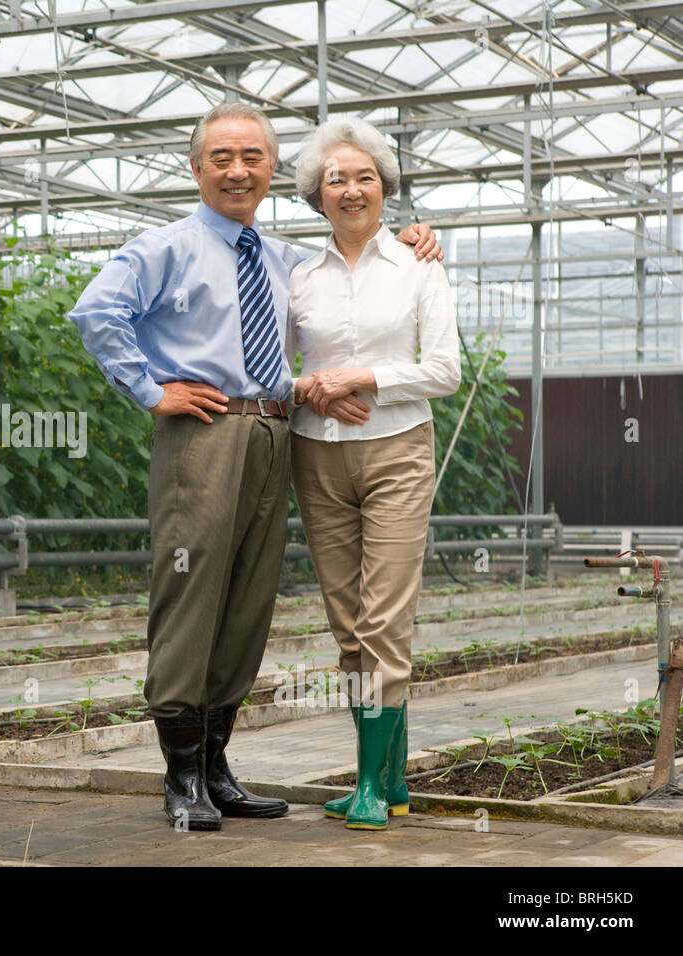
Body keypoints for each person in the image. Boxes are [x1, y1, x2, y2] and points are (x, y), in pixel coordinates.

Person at [67, 102, 442, 831]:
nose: (238, 170)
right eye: (222, 158)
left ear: (273, 170)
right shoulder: (165, 247)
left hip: (278, 432)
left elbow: (346, 302)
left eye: (253, 158)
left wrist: (411, 239)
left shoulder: (283, 259)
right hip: (204, 434)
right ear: (197, 167)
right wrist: (149, 389)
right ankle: (180, 779)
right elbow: (96, 313)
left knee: (247, 604)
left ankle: (216, 769)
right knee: (190, 593)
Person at [287, 117, 461, 831]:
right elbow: (272, 367)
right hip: (316, 452)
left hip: (397, 449)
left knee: (384, 613)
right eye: (336, 179)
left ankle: (364, 785)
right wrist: (312, 388)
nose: (351, 189)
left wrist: (365, 376)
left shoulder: (421, 265)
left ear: (386, 189)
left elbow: (445, 370)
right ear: (316, 196)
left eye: (365, 177)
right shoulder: (296, 275)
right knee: (347, 622)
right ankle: (391, 781)